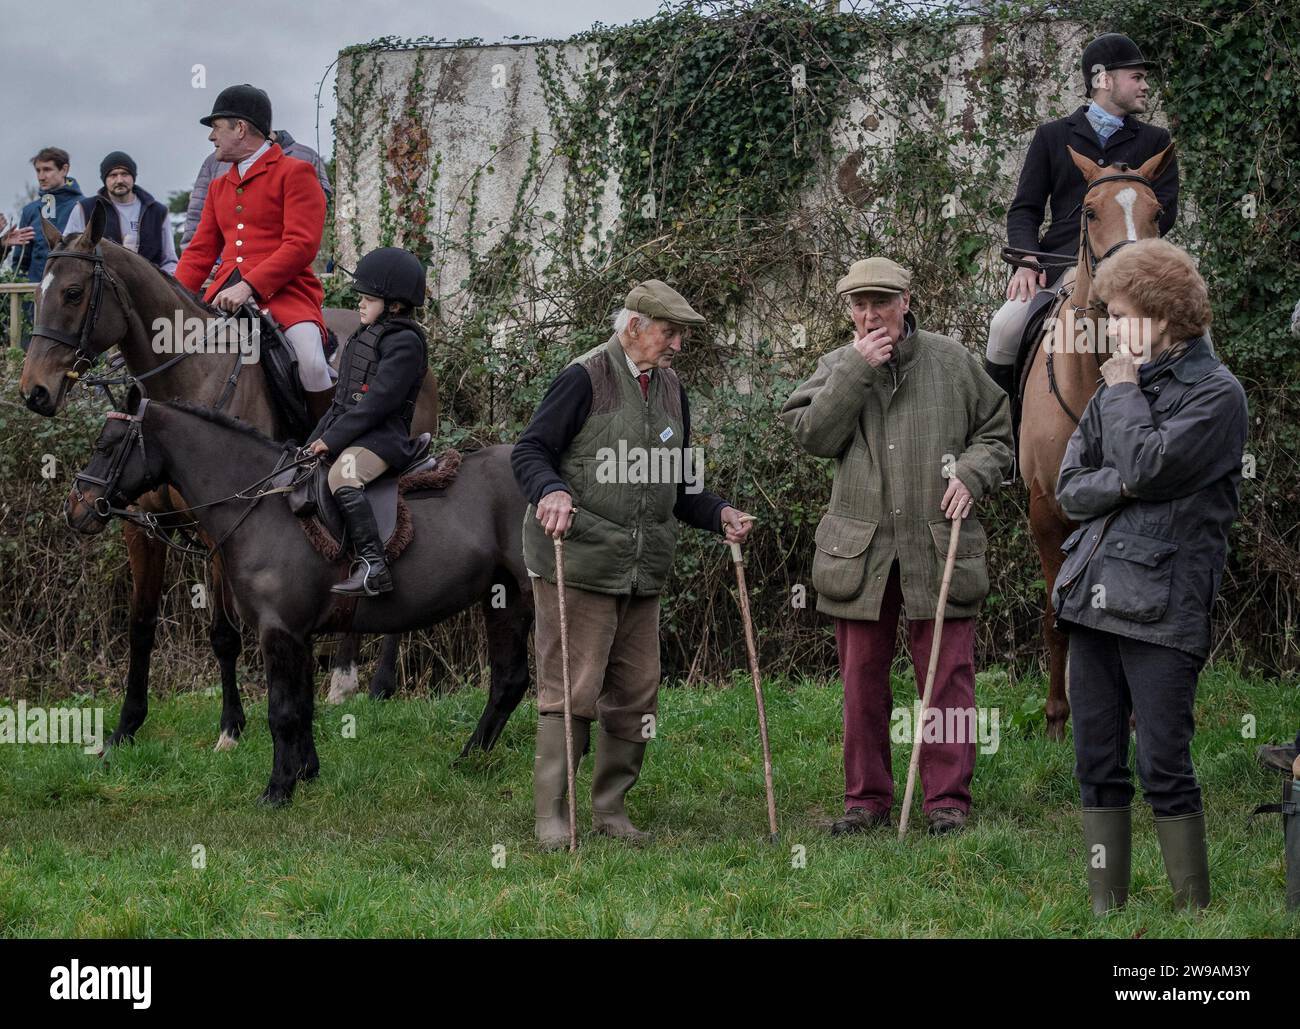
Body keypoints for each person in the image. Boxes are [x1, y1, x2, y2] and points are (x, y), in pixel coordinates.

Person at [512, 279, 753, 849]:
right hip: (581, 558)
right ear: (634, 327)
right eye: (669, 332)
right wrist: (551, 490)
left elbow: (682, 484)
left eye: (680, 335)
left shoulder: (671, 389)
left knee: (638, 691)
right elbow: (531, 450)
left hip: (644, 568)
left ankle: (611, 811)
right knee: (571, 686)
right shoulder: (584, 377)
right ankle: (553, 817)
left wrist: (719, 513)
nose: (677, 345)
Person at [781, 257, 1012, 836]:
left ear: (906, 301)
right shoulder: (837, 365)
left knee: (948, 679)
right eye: (858, 305)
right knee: (862, 680)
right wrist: (855, 373)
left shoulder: (953, 361)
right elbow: (811, 436)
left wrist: (972, 474)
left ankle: (947, 803)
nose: (869, 315)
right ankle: (866, 801)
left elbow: (997, 432)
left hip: (938, 546)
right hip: (860, 555)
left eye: (880, 302)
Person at [1054, 238, 1247, 913]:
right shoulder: (1117, 386)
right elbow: (1070, 490)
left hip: (1164, 606)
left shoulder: (1216, 395)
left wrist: (1129, 407)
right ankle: (1108, 906)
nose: (1109, 324)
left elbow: (1147, 467)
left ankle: (1193, 912)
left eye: (1119, 310)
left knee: (1164, 763)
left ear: (1162, 314)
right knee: (1097, 763)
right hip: (1091, 597)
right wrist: (1131, 481)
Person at [984, 33, 1179, 398]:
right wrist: (1027, 260)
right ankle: (1005, 439)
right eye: (1136, 76)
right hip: (1060, 268)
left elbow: (1164, 211)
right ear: (1104, 79)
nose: (1145, 85)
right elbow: (1025, 209)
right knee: (1003, 328)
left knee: (1198, 332)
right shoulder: (1052, 136)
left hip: (1137, 269)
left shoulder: (1156, 141)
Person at [173, 84, 334, 417]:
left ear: (241, 128)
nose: (211, 137)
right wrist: (172, 302)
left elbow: (302, 245)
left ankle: (324, 443)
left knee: (313, 363)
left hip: (286, 295)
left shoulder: (296, 173)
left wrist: (249, 285)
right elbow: (199, 255)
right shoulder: (219, 186)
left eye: (216, 128)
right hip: (223, 297)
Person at [304, 247, 428, 597]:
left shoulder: (405, 343)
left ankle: (374, 566)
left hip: (384, 438)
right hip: (357, 433)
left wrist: (334, 439)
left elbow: (378, 404)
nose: (359, 304)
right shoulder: (363, 336)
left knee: (343, 475)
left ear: (396, 305)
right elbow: (341, 403)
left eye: (368, 299)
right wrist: (313, 440)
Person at [182, 128, 331, 251]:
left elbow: (323, 207)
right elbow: (197, 211)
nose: (212, 136)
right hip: (225, 262)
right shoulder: (213, 162)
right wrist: (194, 253)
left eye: (217, 126)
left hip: (290, 261)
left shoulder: (306, 157)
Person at [4, 147, 83, 348]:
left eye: (47, 170)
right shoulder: (31, 210)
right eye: (38, 171)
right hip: (35, 297)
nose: (41, 176)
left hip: (72, 299)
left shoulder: (84, 206)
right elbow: (21, 262)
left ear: (64, 170)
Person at [61, 151, 177, 273]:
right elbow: (67, 252)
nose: (119, 180)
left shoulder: (157, 212)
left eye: (125, 174)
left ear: (133, 177)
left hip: (149, 287)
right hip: (102, 287)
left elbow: (169, 261)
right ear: (104, 179)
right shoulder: (85, 209)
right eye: (113, 175)